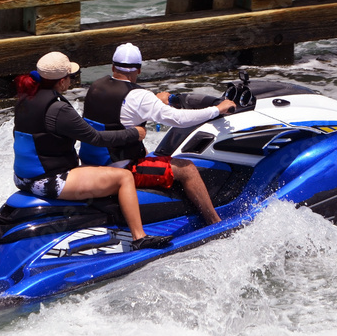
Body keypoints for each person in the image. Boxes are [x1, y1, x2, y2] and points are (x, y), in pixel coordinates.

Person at [12, 51, 171, 250]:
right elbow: (95, 138)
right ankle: (139, 238)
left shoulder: (25, 100)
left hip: (22, 179)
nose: (71, 80)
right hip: (47, 182)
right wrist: (134, 133)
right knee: (123, 178)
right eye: (70, 77)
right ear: (61, 81)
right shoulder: (58, 109)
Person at [79, 43, 235, 225]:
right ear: (139, 69)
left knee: (144, 150)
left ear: (113, 67)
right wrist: (217, 109)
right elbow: (179, 119)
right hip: (121, 169)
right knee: (188, 169)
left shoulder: (96, 86)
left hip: (92, 162)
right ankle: (214, 222)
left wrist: (153, 100)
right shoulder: (140, 97)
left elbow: (122, 109)